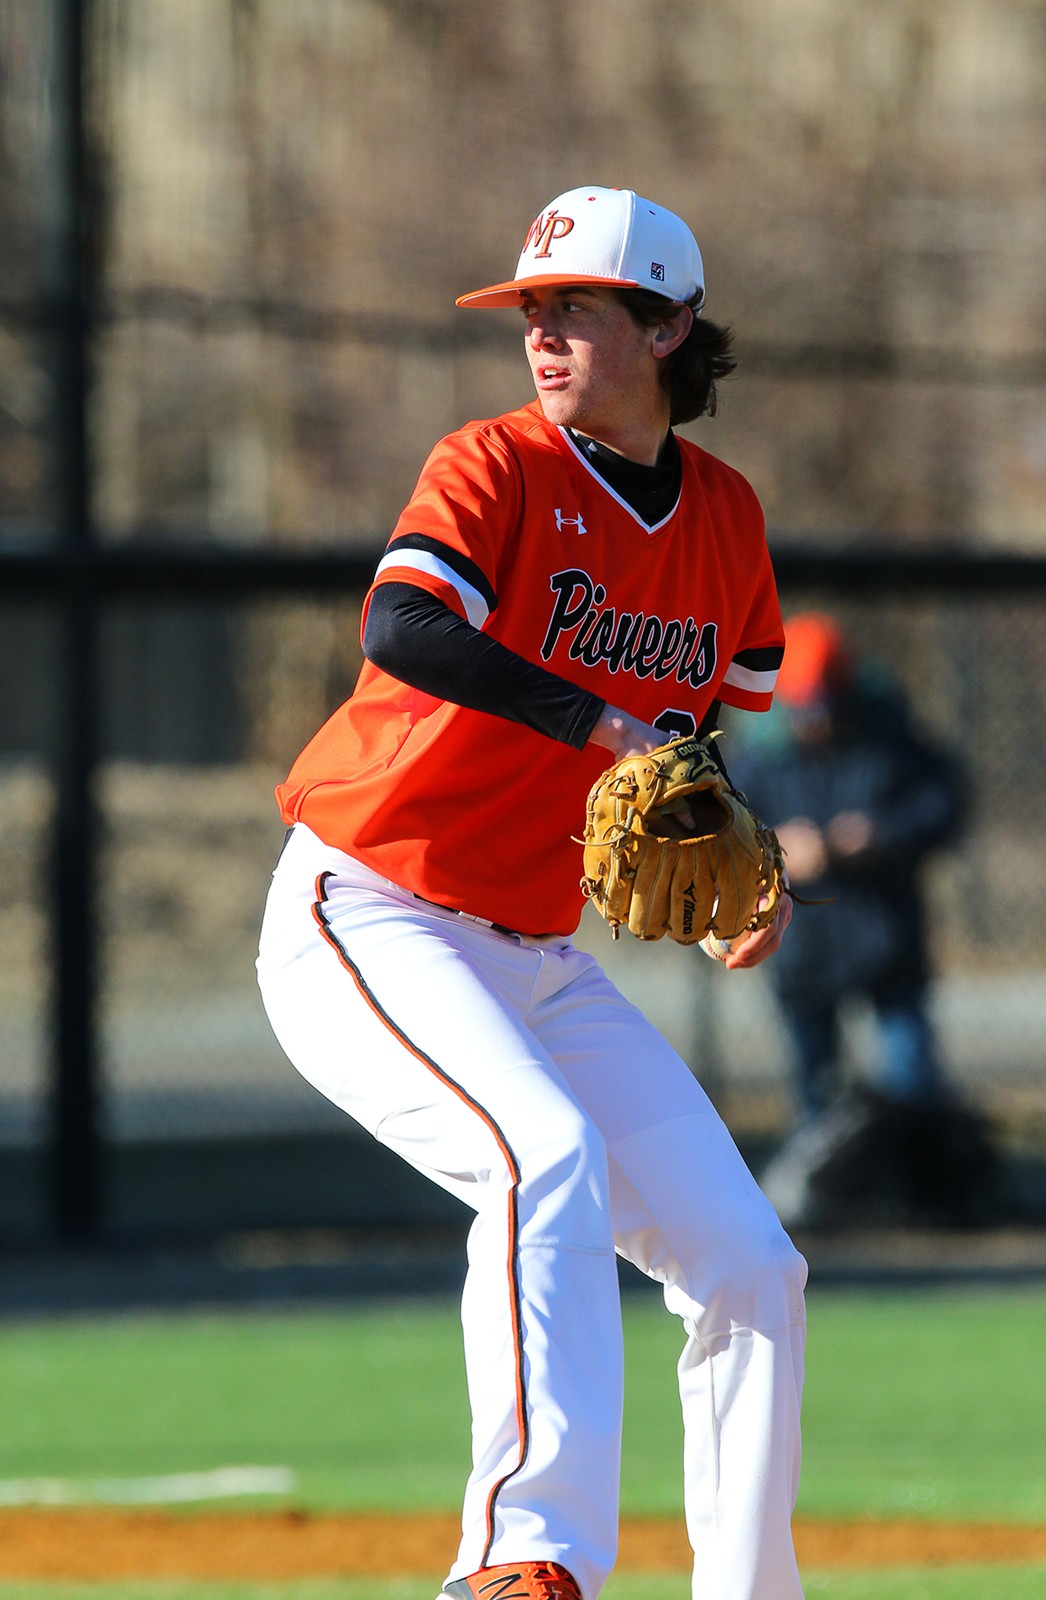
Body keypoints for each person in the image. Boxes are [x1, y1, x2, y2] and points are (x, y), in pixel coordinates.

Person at [256, 186, 807, 1600]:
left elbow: (711, 731)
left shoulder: (725, 518)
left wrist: (751, 867)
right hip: (371, 906)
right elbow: (402, 623)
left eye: (575, 309)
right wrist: (599, 724)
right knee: (539, 1157)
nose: (542, 334)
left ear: (667, 326)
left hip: (538, 955)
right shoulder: (492, 464)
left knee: (747, 1266)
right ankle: (521, 1559)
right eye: (530, 312)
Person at [734, 614, 993, 1227]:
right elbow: (718, 827)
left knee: (911, 1084)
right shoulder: (757, 755)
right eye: (801, 708)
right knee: (817, 1100)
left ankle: (928, 1209)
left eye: (821, 706)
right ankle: (828, 1216)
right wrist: (772, 846)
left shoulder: (890, 736)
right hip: (803, 951)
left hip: (885, 943)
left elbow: (945, 804)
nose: (812, 721)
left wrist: (879, 837)